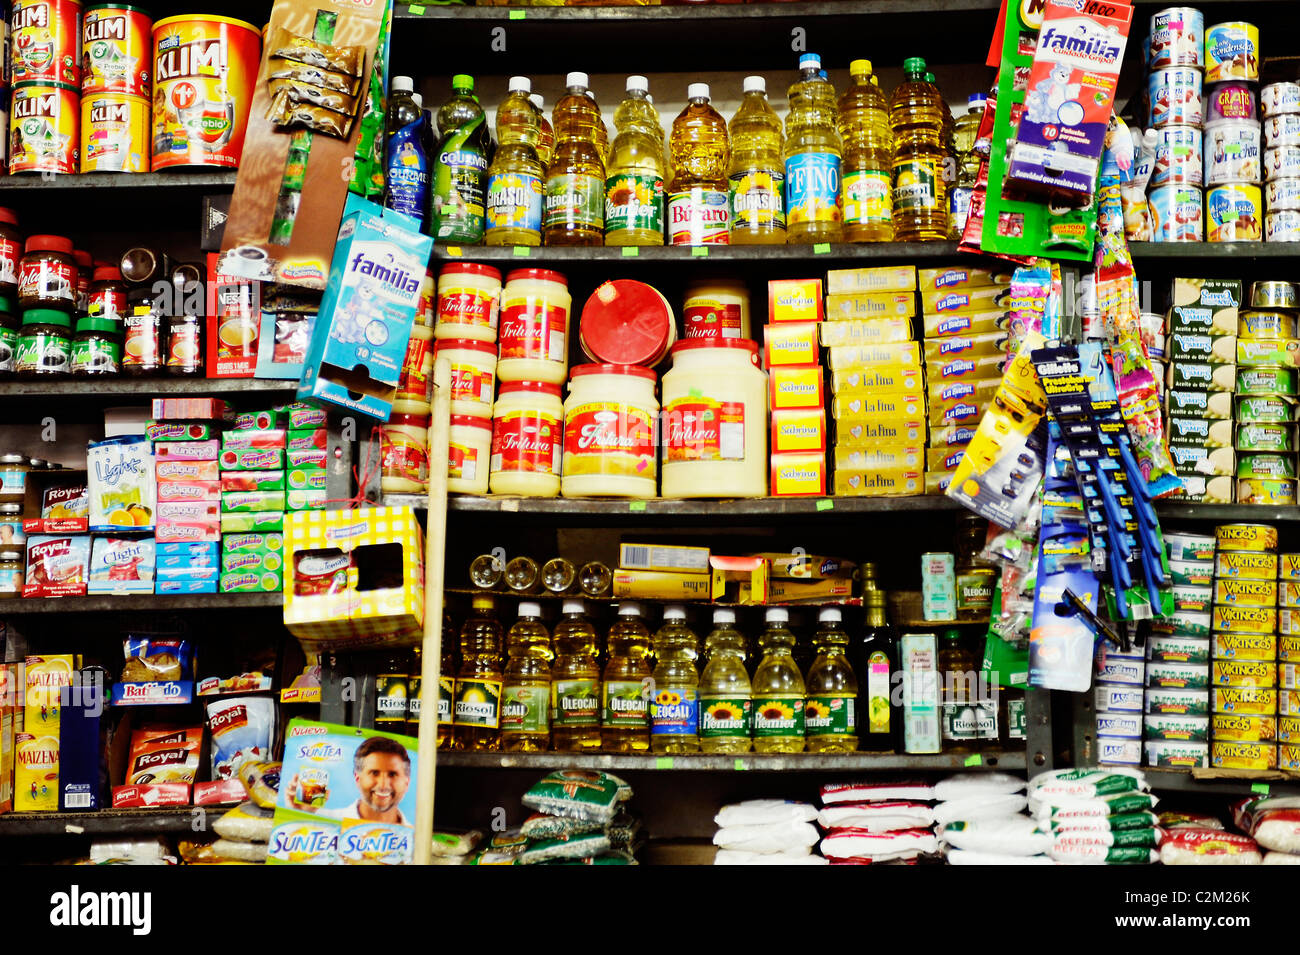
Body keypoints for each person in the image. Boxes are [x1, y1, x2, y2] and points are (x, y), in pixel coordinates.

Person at [287, 736, 411, 824]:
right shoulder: (323, 821)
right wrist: (300, 816)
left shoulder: (420, 841)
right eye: (374, 773)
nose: (383, 785)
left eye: (393, 774)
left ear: (406, 782)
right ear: (357, 778)